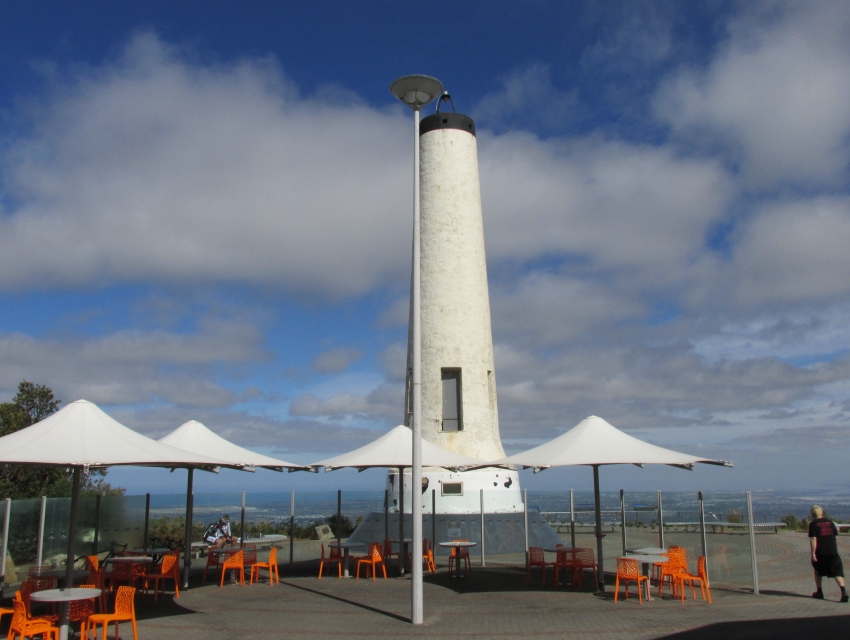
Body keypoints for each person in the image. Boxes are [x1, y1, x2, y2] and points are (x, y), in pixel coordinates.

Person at [808, 505, 848, 602]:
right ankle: (843, 591)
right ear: (822, 512)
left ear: (813, 514)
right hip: (833, 551)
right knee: (837, 572)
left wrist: (813, 553)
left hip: (821, 552)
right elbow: (836, 536)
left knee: (818, 570)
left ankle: (819, 591)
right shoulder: (830, 522)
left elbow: (813, 538)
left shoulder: (813, 524)